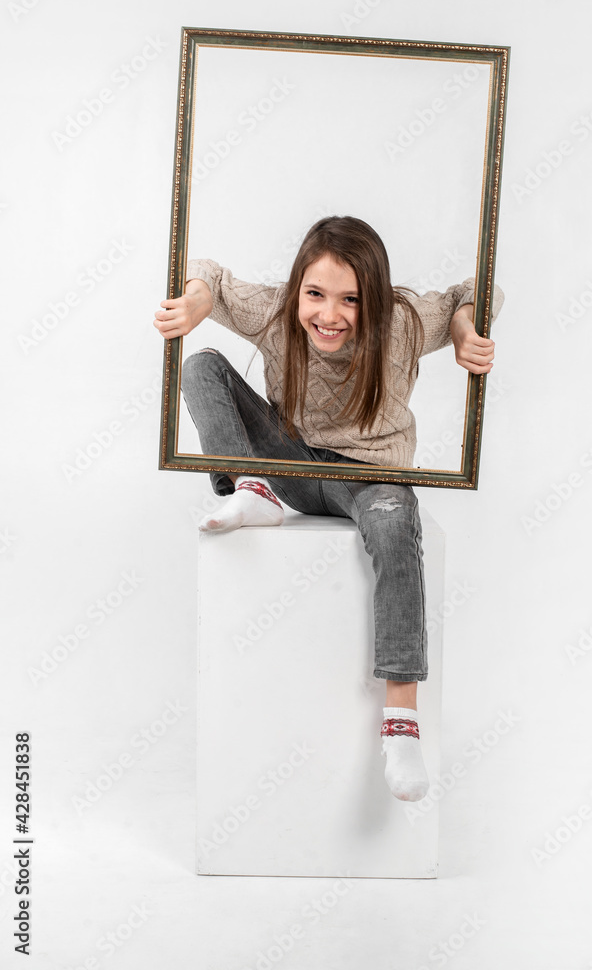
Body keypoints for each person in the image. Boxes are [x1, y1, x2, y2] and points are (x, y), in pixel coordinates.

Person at [154, 215, 503, 803]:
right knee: (201, 365)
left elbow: (478, 289)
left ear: (378, 300)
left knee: (397, 530)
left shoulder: (407, 322)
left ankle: (401, 721)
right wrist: (194, 302)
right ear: (298, 290)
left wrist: (467, 329)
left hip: (370, 479)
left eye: (351, 300)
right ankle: (252, 492)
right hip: (291, 466)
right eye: (314, 294)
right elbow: (209, 273)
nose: (328, 315)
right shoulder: (276, 310)